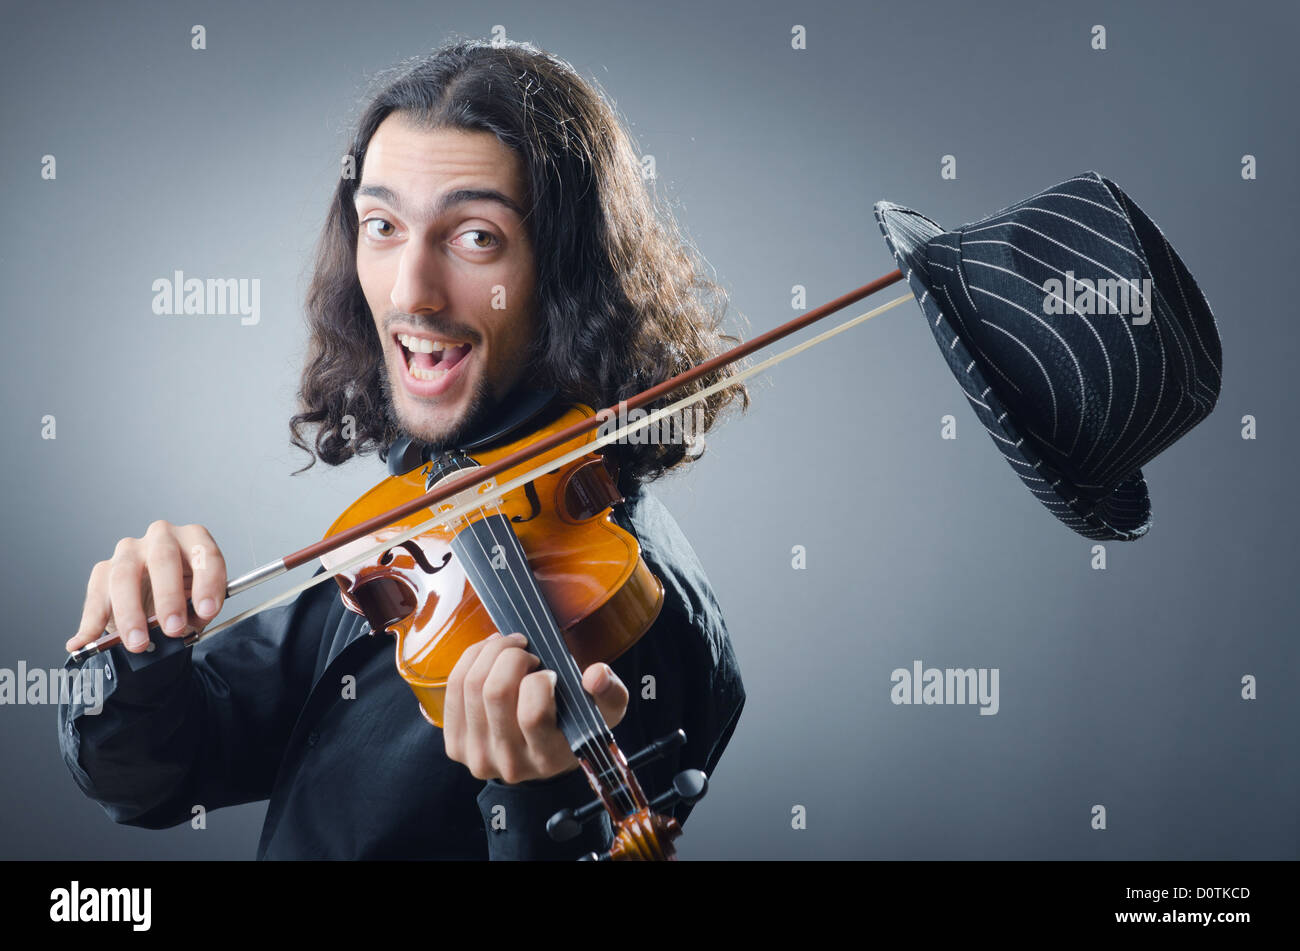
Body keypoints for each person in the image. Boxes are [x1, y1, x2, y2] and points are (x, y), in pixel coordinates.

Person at [56, 39, 747, 860]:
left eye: (475, 237)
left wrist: (536, 802)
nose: (410, 290)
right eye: (381, 225)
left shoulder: (636, 609)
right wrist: (137, 646)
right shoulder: (417, 530)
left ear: (568, 273)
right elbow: (159, 773)